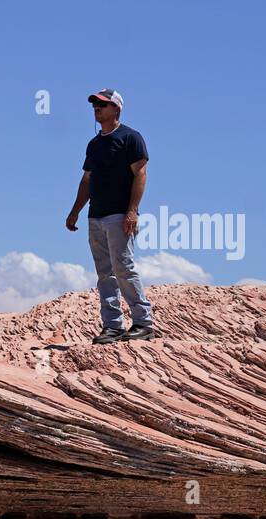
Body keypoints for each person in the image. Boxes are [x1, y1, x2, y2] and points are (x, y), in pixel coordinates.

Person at [65, 88, 156, 344]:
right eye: (95, 104)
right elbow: (87, 179)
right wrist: (75, 211)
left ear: (116, 108)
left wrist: (132, 210)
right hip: (96, 216)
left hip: (119, 214)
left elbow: (141, 173)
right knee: (104, 273)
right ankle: (113, 326)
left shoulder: (130, 138)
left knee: (123, 267)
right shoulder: (94, 144)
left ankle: (143, 322)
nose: (97, 108)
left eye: (102, 105)